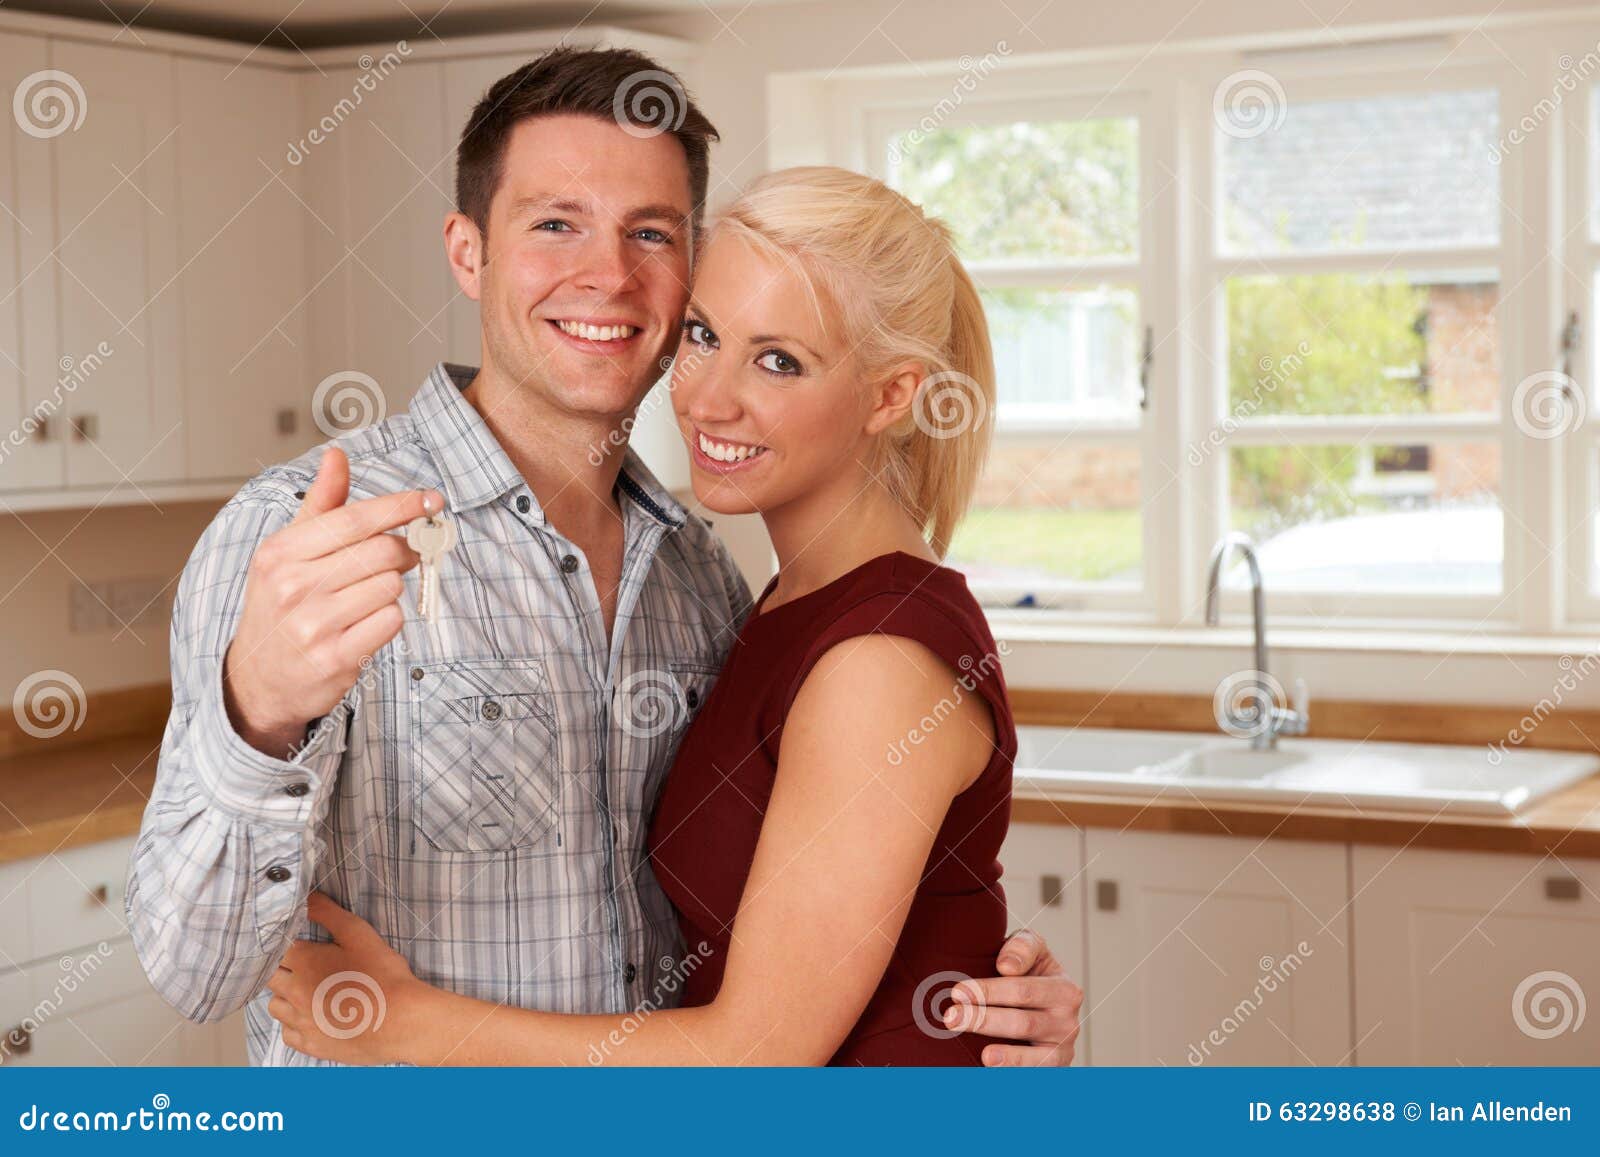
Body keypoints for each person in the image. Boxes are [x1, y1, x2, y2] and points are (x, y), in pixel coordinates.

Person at [127, 47, 1080, 1067]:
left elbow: (770, 994)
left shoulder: (703, 579)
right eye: (553, 224)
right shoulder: (307, 537)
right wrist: (257, 713)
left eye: (651, 234)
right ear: (467, 252)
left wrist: (955, 992)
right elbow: (193, 974)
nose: (609, 276)